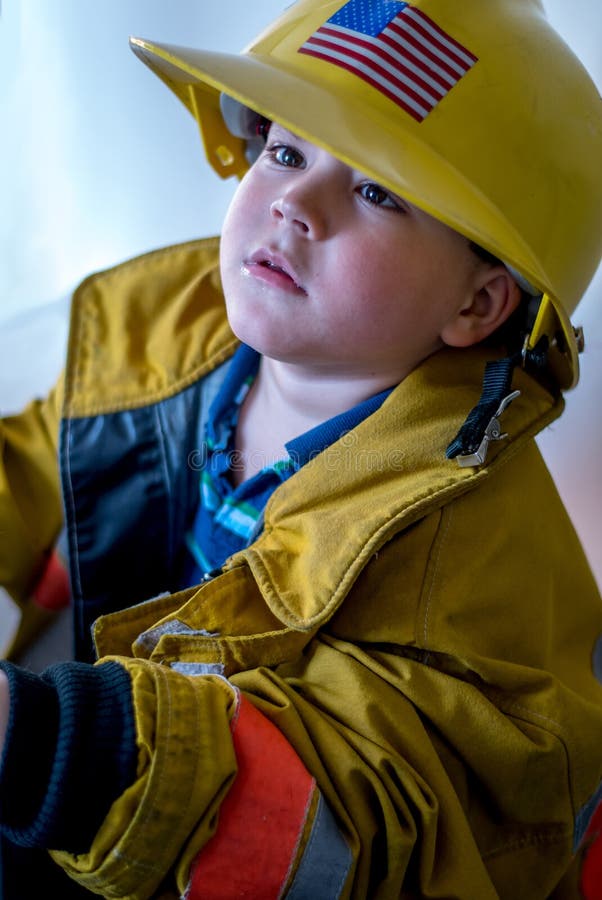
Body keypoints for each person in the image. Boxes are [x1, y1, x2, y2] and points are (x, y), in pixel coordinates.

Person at [1, 0, 602, 896]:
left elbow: (361, 816)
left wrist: (55, 744)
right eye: (286, 151)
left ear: (477, 305)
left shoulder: (467, 566)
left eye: (377, 192)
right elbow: (27, 470)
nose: (294, 202)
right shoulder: (157, 345)